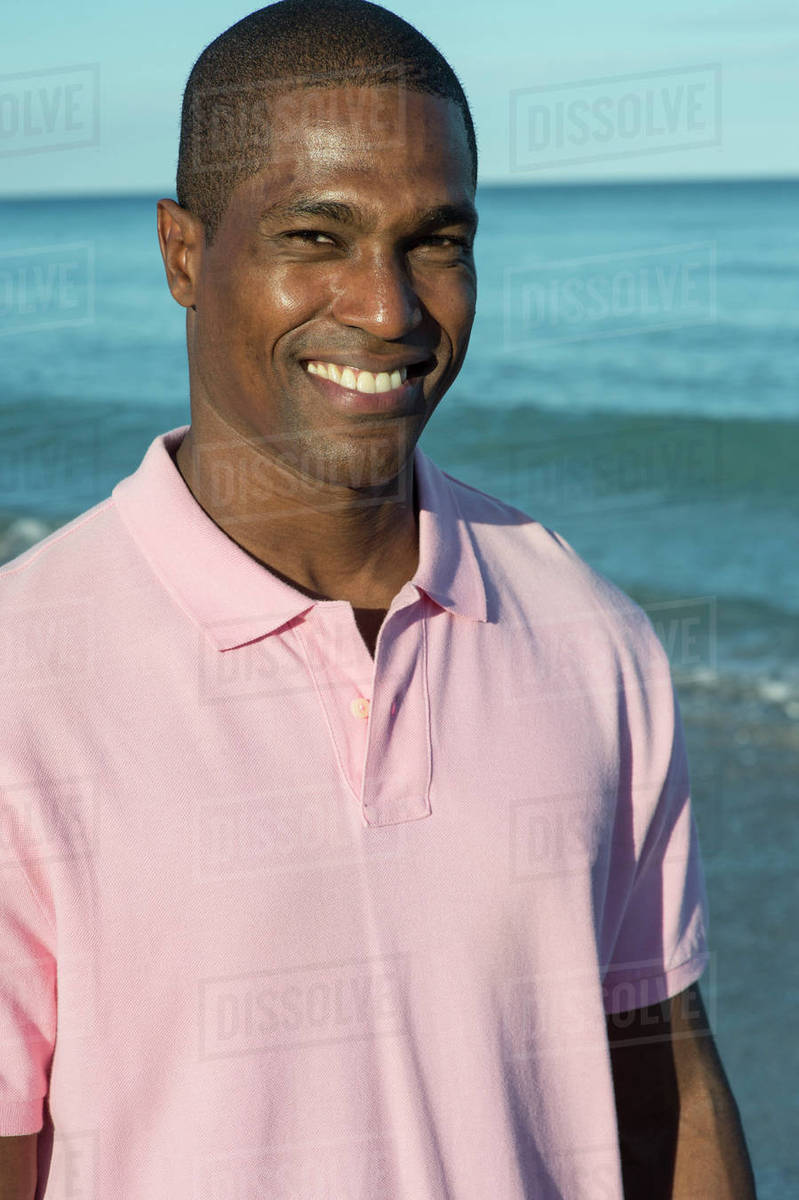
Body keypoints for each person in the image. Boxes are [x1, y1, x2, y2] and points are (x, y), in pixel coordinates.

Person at [0, 2, 756, 1196]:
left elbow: (663, 1089)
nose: (389, 308)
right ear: (183, 254)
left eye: (435, 242)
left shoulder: (588, 638)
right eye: (317, 235)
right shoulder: (26, 675)